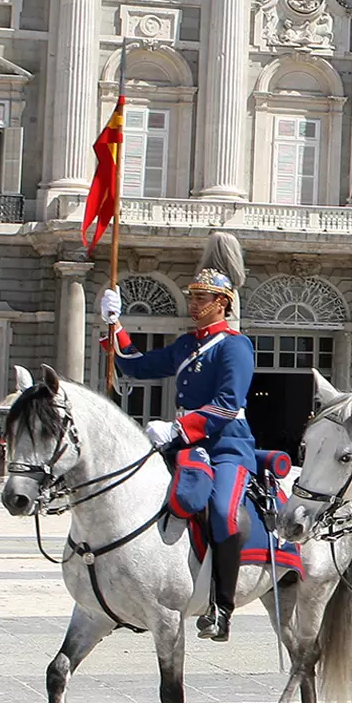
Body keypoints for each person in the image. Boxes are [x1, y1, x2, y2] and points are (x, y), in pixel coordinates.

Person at [99, 232, 254, 641]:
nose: (194, 302)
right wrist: (115, 327)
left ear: (222, 303)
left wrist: (179, 428)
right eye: (193, 295)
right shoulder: (188, 344)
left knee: (222, 511)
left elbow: (226, 404)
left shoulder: (235, 348)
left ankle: (222, 608)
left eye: (202, 297)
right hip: (185, 444)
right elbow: (135, 366)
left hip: (226, 446)